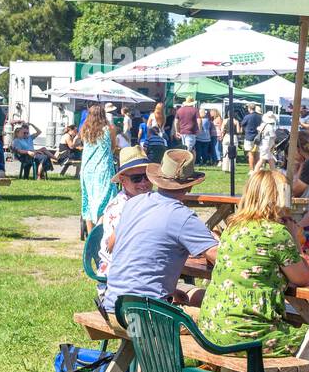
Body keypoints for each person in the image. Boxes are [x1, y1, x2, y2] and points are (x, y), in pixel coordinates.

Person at [199, 167, 309, 365]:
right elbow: (302, 277)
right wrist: (293, 237)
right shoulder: (276, 233)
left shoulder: (233, 227)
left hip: (211, 328)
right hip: (245, 336)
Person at [100, 148, 219, 315]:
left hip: (114, 304)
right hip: (147, 315)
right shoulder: (182, 216)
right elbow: (221, 257)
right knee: (222, 316)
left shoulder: (134, 203)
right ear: (190, 186)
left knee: (196, 295)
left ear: (157, 179)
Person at [98, 147, 153, 280]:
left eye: (147, 176)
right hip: (120, 280)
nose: (144, 182)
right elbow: (123, 249)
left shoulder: (149, 199)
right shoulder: (120, 207)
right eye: (136, 178)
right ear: (122, 180)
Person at [79, 103, 118, 234]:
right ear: (103, 114)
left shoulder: (84, 129)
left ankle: (90, 236)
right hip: (103, 168)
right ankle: (100, 231)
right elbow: (113, 147)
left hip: (87, 169)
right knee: (106, 199)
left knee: (89, 199)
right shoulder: (109, 129)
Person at [241, 104, 263, 170]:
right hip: (258, 137)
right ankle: (257, 169)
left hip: (249, 137)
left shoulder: (247, 117)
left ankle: (251, 169)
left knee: (250, 154)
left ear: (249, 108)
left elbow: (242, 124)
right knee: (257, 154)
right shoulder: (260, 117)